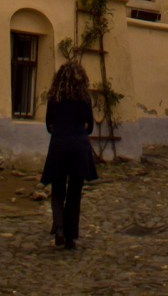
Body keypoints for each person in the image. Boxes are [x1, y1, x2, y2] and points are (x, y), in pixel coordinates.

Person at [41, 60, 98, 249]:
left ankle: (58, 227)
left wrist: (59, 130)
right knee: (74, 191)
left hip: (59, 145)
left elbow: (49, 124)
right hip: (79, 147)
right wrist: (80, 130)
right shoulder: (84, 98)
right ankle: (71, 236)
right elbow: (90, 125)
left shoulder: (54, 97)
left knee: (58, 190)